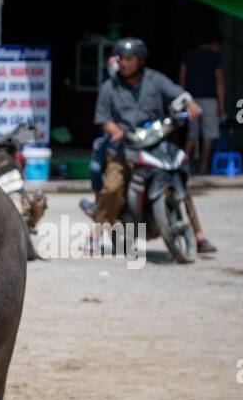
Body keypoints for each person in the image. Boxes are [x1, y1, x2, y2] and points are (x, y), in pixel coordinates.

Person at [93, 37, 216, 256]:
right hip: (124, 150)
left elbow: (178, 93)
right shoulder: (109, 87)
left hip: (155, 146)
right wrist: (115, 131)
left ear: (139, 60)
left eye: (129, 59)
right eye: (121, 59)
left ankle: (198, 236)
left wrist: (189, 103)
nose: (124, 63)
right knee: (112, 187)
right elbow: (103, 118)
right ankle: (95, 232)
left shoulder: (155, 80)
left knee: (178, 180)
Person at [179, 36, 225, 175]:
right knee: (208, 135)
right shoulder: (214, 56)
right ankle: (203, 166)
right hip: (210, 100)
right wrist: (221, 105)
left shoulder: (187, 55)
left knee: (192, 133)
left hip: (191, 99)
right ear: (215, 43)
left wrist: (183, 100)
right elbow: (220, 83)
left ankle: (182, 165)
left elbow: (182, 78)